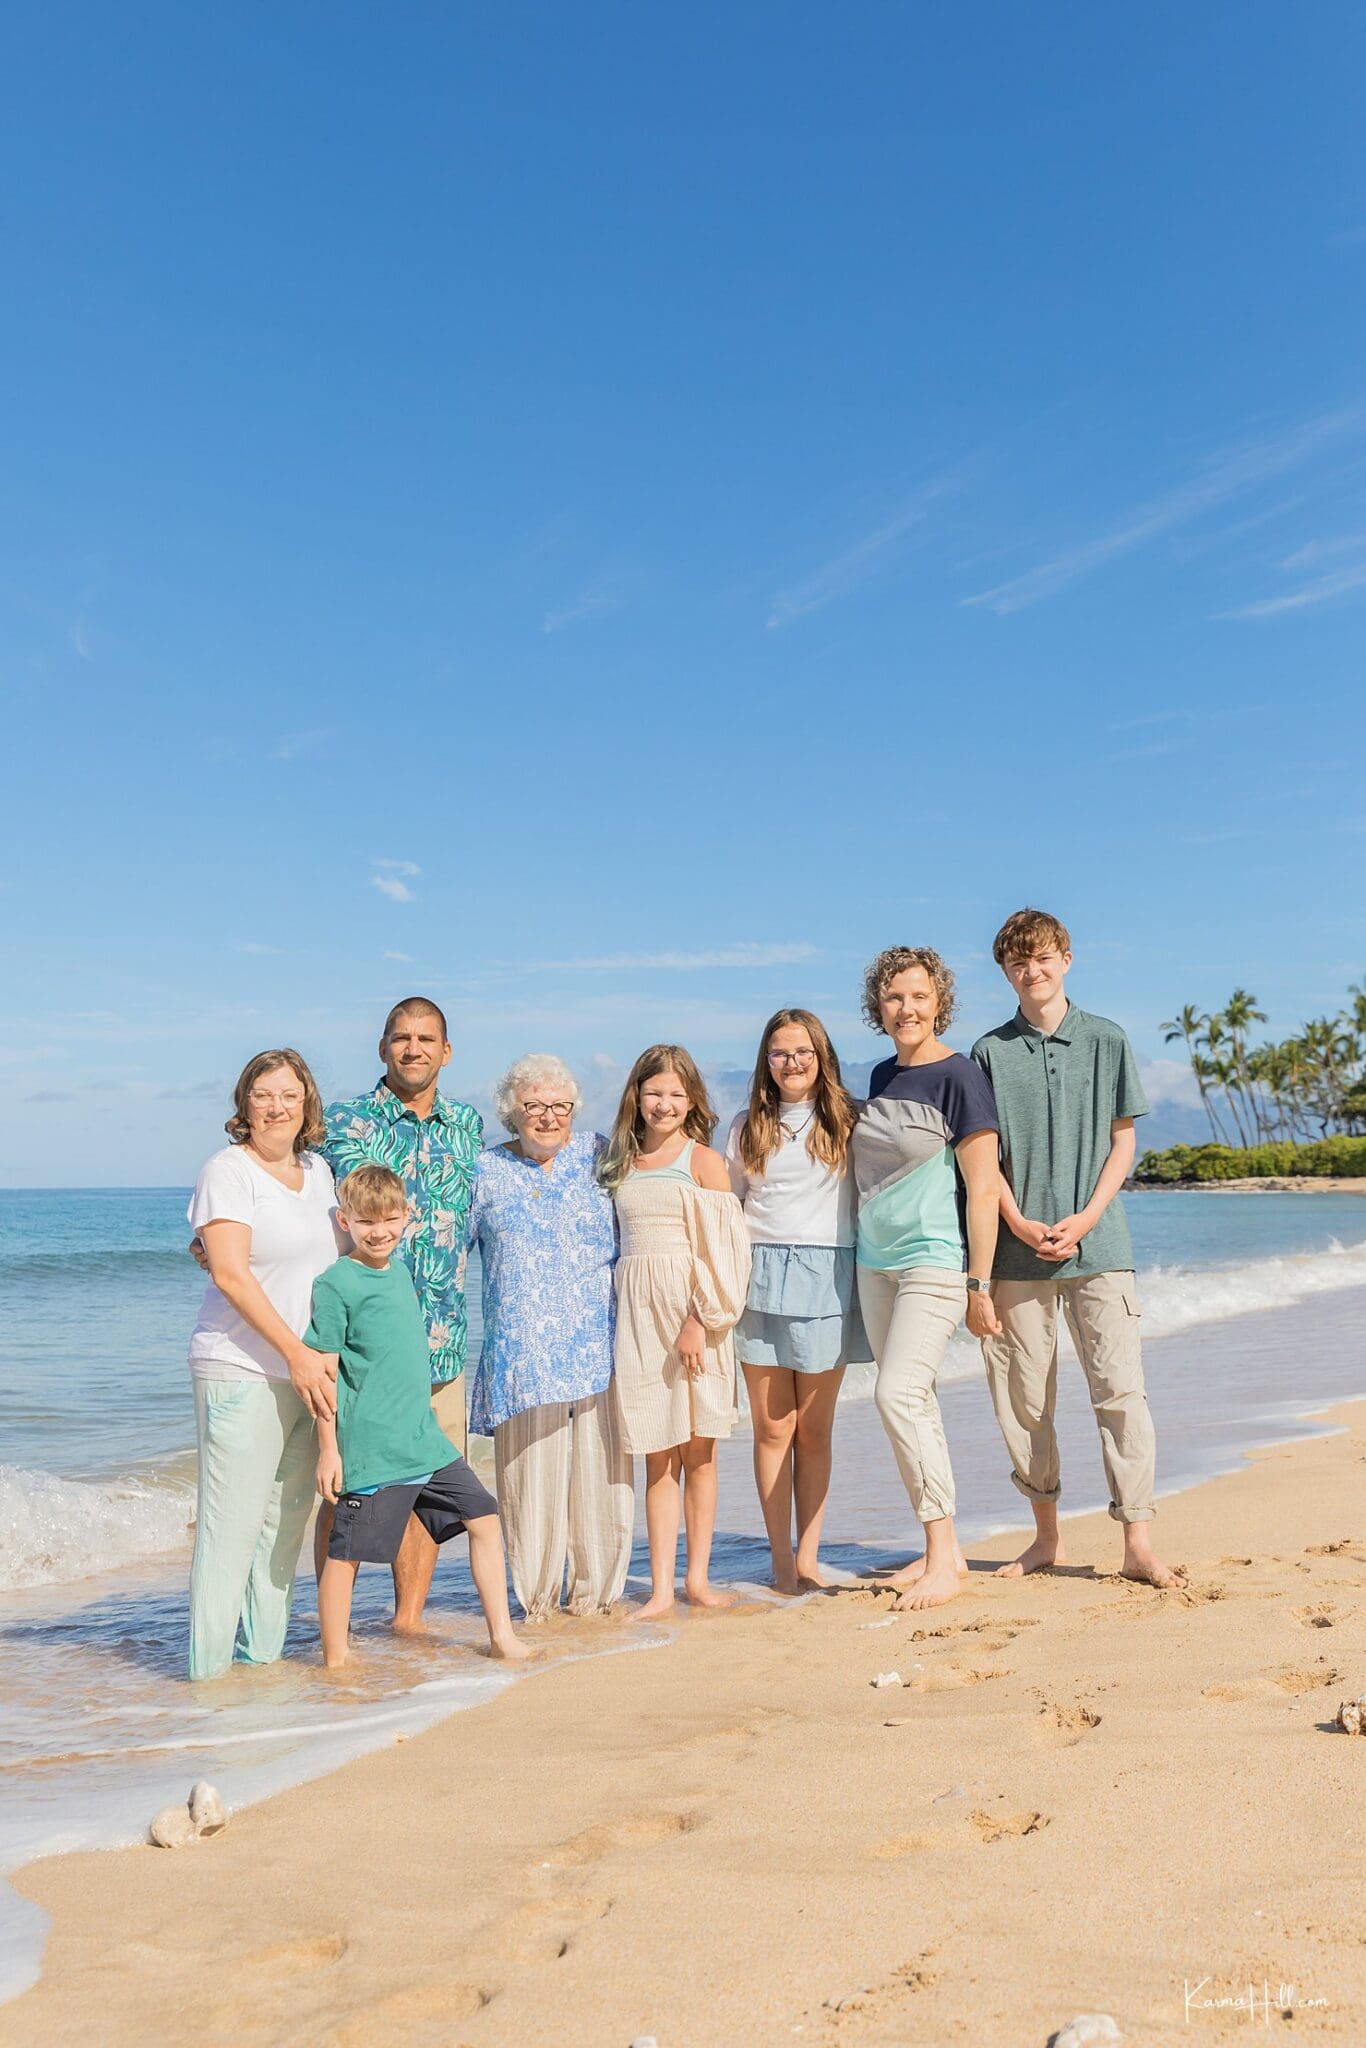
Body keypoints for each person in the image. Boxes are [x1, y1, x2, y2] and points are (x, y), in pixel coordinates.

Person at [971, 908, 1185, 1588]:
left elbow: (1124, 1138)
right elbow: (983, 1158)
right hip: (1014, 1252)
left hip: (1102, 1247)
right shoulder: (988, 1052)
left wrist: (1088, 1217)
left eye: (1041, 958)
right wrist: (1020, 1220)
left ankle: (1138, 1542)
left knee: (1120, 1393)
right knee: (1023, 1400)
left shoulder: (1108, 1039)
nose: (1030, 971)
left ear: (1066, 958)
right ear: (1006, 972)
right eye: (1016, 963)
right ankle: (1045, 1539)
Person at [307, 1165, 527, 1667]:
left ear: (407, 1216)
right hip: (375, 1446)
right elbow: (322, 1373)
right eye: (365, 1222)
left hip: (424, 1440)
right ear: (345, 1221)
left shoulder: (401, 1270)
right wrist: (328, 1449)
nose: (378, 1231)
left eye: (388, 1219)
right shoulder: (336, 1284)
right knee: (346, 1555)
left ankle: (501, 1637)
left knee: (485, 1517)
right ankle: (336, 1660)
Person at [320, 997, 484, 1630]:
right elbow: (285, 1181)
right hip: (362, 1353)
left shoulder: (467, 1127)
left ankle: (407, 1622)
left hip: (440, 1346)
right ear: (382, 1047)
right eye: (401, 1037)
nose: (413, 1048)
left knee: (424, 1489)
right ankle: (334, 1634)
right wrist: (213, 1238)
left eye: (426, 1039)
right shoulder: (344, 1123)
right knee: (350, 1491)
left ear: (446, 1052)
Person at [852, 949, 1003, 1611]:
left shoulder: (960, 1077)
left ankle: (943, 1556)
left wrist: (979, 1285)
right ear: (877, 1007)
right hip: (873, 1264)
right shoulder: (882, 1074)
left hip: (933, 1261)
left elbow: (983, 1190)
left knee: (896, 1395)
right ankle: (945, 1548)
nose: (906, 1009)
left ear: (938, 1001)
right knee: (915, 1403)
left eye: (918, 997)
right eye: (893, 998)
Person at [185, 1049, 343, 1680]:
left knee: (283, 1534)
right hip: (240, 1371)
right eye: (263, 1095)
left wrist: (318, 1359)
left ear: (307, 1104)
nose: (277, 1107)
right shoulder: (229, 1171)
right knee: (229, 1534)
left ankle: (264, 1668)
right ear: (243, 1105)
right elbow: (229, 1273)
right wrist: (295, 1353)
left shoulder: (320, 1172)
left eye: (289, 1095)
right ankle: (207, 1681)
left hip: (306, 1374)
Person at [467, 1055, 633, 1619]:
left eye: (559, 1106)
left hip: (598, 1343)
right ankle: (535, 1603)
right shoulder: (483, 1171)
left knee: (602, 1478)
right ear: (511, 1112)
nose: (547, 1117)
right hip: (522, 1351)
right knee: (528, 1486)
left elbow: (655, 1199)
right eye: (533, 1106)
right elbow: (444, 1249)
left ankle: (596, 1598)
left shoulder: (597, 1154)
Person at [600, 1045, 751, 1620]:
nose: (664, 1104)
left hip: (694, 1318)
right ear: (636, 1096)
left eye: (676, 1094)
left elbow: (727, 1256)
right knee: (656, 1456)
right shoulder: (620, 1161)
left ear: (692, 1101)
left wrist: (700, 1320)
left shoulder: (703, 1161)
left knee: (699, 1455)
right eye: (654, 1092)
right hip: (638, 1319)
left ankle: (698, 1580)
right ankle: (660, 1589)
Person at [725, 1009, 864, 1594]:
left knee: (814, 1430)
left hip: (829, 1274)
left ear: (822, 1056)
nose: (793, 1063)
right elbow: (728, 1208)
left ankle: (808, 1557)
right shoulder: (745, 1124)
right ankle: (780, 1560)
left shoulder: (850, 1120)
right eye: (780, 1053)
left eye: (804, 1052)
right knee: (772, 1428)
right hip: (758, 1276)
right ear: (767, 1060)